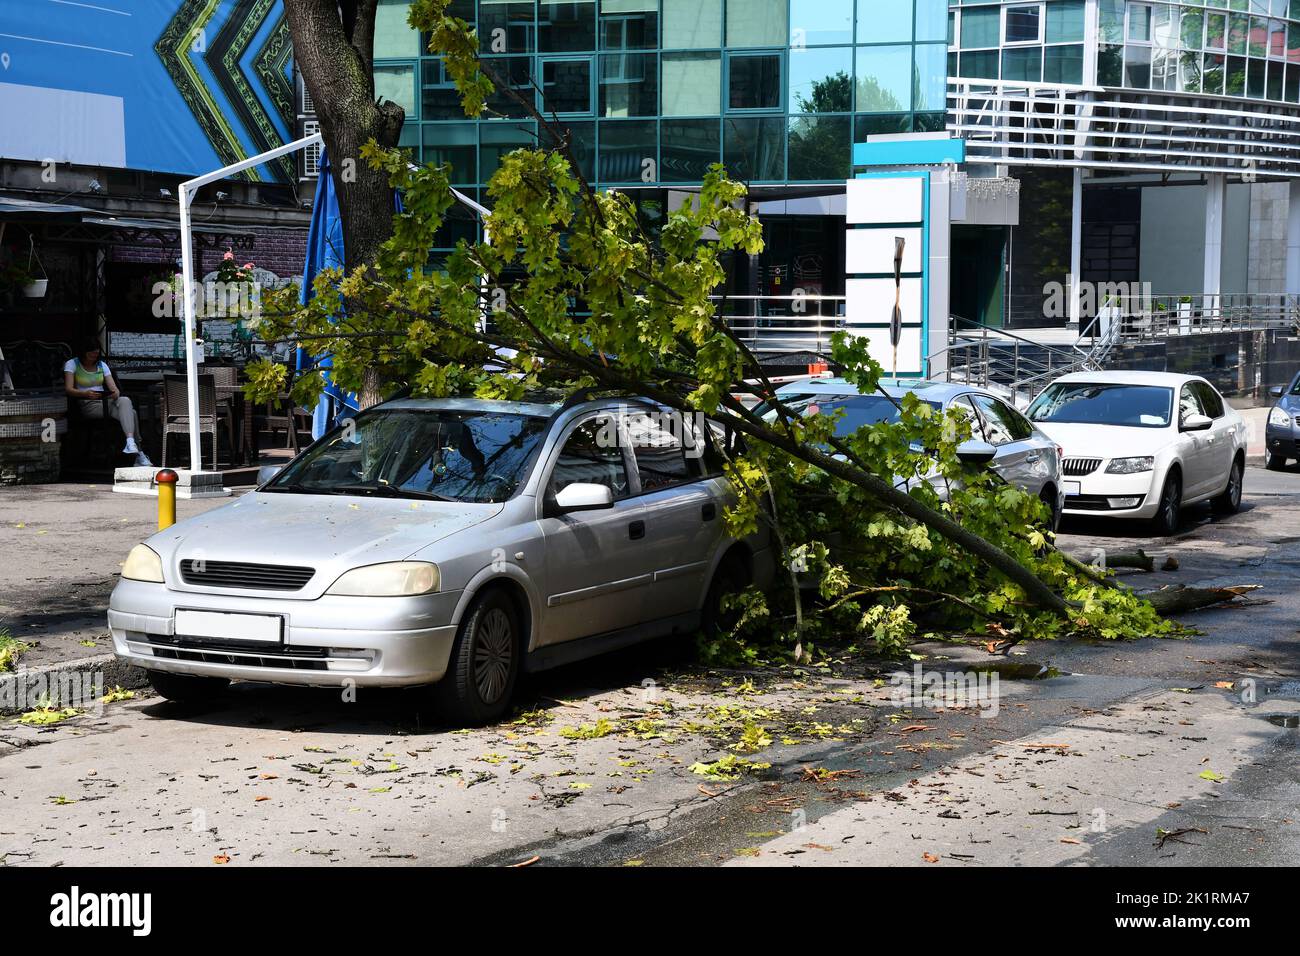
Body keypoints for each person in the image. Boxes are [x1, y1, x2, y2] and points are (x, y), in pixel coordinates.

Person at [64, 341, 152, 466]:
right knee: (131, 413)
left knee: (125, 400)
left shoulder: (102, 365)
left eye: (96, 352)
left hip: (106, 401)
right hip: (88, 404)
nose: (94, 355)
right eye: (91, 352)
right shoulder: (72, 364)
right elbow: (68, 389)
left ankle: (130, 442)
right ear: (83, 352)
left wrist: (113, 393)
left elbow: (115, 389)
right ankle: (139, 454)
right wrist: (85, 394)